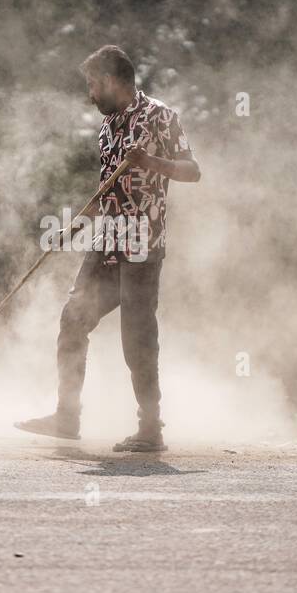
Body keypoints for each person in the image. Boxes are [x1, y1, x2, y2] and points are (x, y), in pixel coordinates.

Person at [15, 45, 200, 452]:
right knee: (72, 320)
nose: (90, 94)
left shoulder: (161, 116)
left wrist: (151, 162)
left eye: (93, 85)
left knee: (137, 337)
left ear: (113, 81)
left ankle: (150, 430)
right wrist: (77, 225)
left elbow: (192, 171)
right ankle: (66, 418)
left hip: (141, 245)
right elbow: (107, 192)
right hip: (105, 243)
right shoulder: (107, 127)